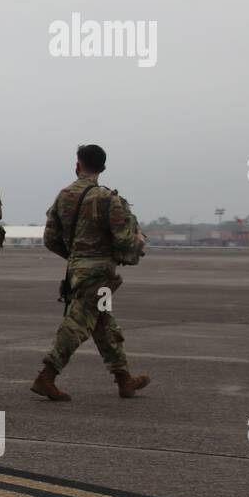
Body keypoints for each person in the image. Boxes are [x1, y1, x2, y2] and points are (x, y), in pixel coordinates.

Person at [31, 144, 150, 402]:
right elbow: (124, 243)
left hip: (77, 271)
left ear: (77, 165)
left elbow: (50, 239)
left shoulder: (64, 196)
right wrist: (139, 241)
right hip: (99, 274)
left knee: (104, 325)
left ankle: (123, 379)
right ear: (103, 168)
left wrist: (76, 257)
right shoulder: (108, 199)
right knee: (78, 323)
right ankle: (46, 376)